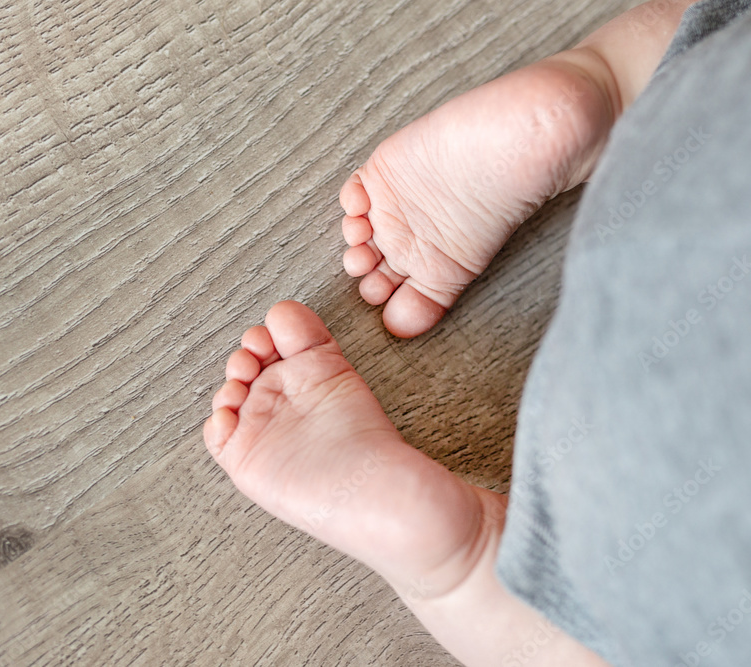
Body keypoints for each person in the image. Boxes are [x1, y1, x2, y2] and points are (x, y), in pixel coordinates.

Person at [203, 0, 751, 664]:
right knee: (637, 611)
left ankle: (614, 82)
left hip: (710, 167)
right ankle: (467, 568)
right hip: (672, 517)